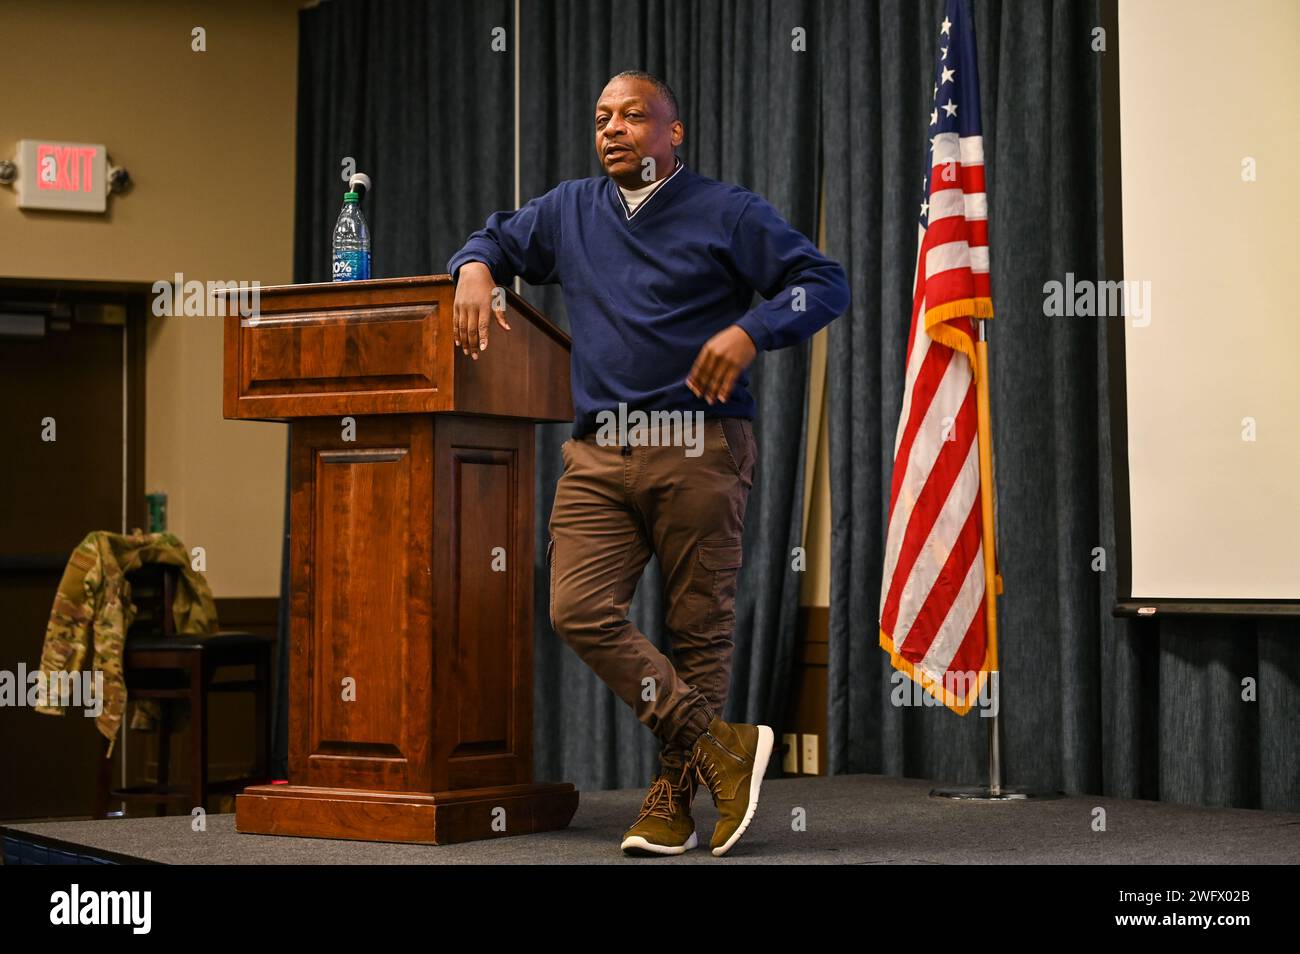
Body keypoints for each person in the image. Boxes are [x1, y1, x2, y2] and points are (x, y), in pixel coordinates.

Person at [447, 70, 849, 857]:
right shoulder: (568, 210)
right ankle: (721, 745)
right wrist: (475, 267)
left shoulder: (725, 211)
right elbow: (495, 237)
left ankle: (670, 797)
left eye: (634, 116)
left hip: (702, 443)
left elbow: (822, 283)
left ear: (673, 133)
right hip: (599, 451)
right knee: (576, 610)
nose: (614, 129)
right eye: (603, 118)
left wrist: (750, 333)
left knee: (698, 633)